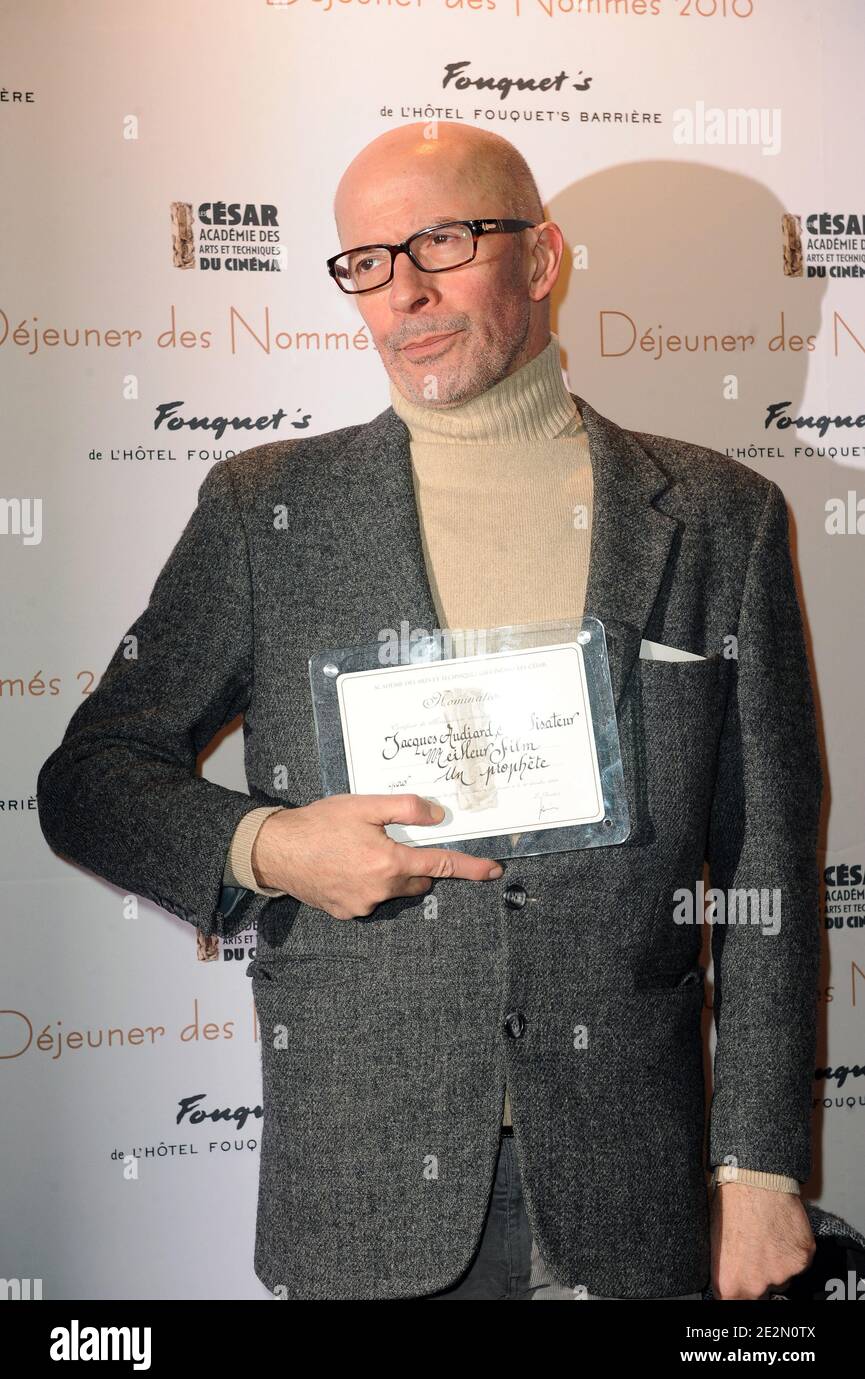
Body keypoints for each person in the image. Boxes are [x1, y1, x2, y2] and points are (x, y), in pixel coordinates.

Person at [37, 121, 822, 1301]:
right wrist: (273, 847)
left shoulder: (720, 515)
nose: (403, 290)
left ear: (543, 258)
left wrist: (757, 1165)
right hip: (361, 1197)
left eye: (442, 241)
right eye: (365, 261)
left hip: (631, 1195)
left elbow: (767, 862)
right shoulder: (267, 512)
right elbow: (87, 780)